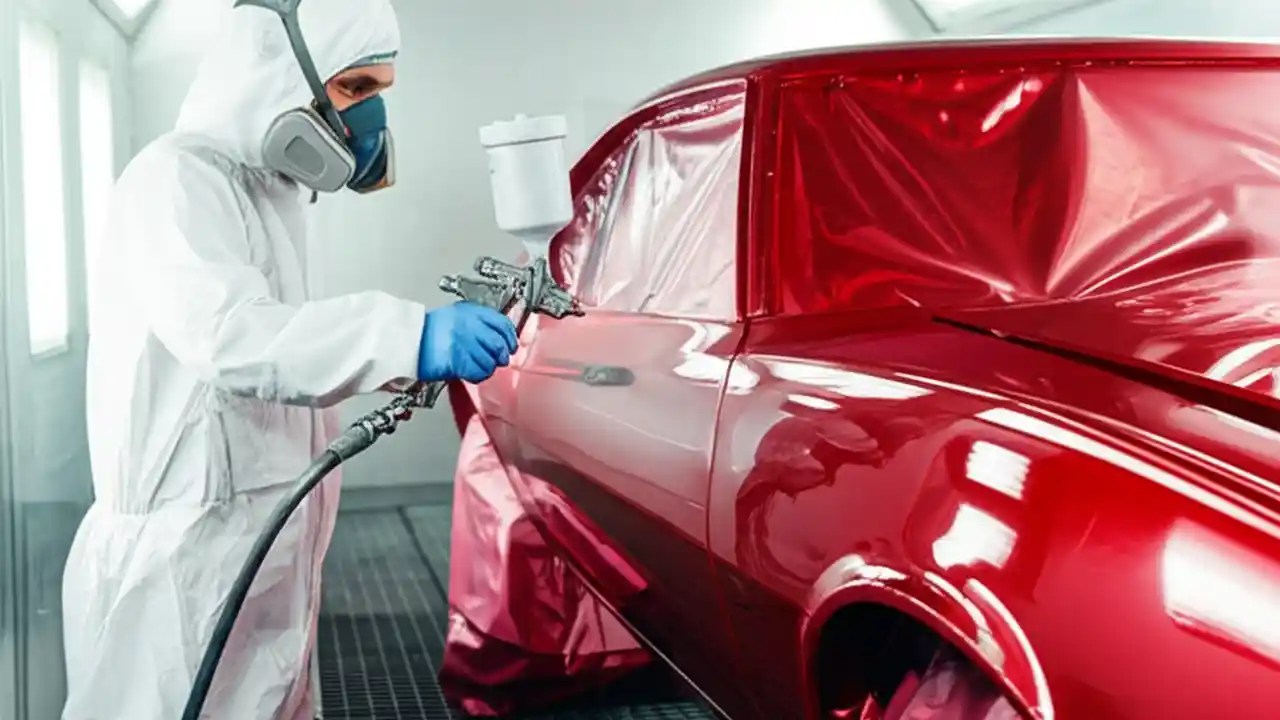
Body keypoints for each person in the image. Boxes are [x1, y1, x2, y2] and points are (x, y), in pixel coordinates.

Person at [60, 0, 516, 717]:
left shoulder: (272, 192)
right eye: (355, 90)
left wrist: (406, 350)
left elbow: (286, 348)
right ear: (281, 73)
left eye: (376, 95)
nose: (368, 120)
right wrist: (410, 336)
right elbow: (234, 337)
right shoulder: (177, 180)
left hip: (258, 545)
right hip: (182, 561)